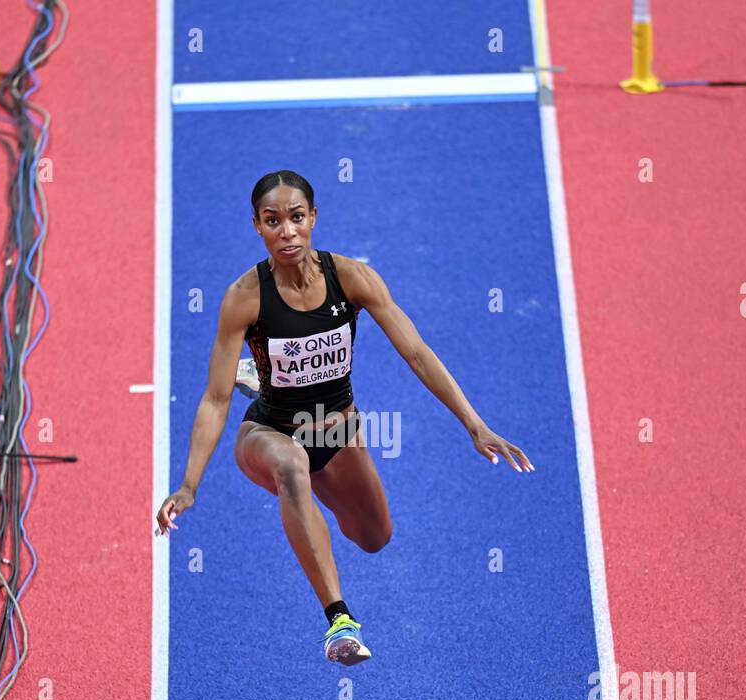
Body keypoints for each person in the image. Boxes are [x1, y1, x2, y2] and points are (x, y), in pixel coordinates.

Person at [154, 170, 532, 665]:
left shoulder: (352, 278)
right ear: (257, 226)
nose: (287, 231)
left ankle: (263, 374)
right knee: (292, 467)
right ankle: (340, 621)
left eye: (296, 217)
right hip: (268, 431)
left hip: (336, 428)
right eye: (273, 221)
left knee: (373, 537)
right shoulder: (244, 297)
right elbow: (214, 399)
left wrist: (474, 424)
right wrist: (189, 484)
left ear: (313, 217)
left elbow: (417, 353)